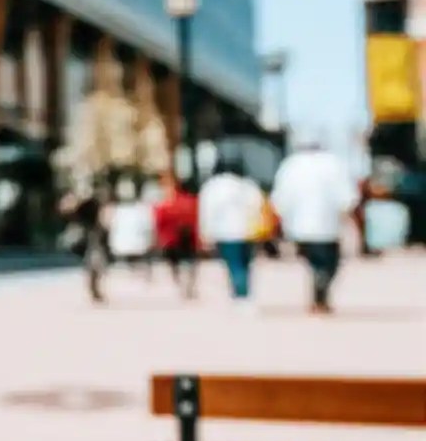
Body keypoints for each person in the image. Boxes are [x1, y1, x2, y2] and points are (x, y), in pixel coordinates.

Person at [271, 134, 359, 315]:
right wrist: (348, 212)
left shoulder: (291, 165)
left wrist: (281, 219)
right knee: (330, 262)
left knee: (314, 261)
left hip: (299, 226)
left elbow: (280, 197)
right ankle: (321, 290)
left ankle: (319, 289)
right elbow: (347, 196)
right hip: (329, 225)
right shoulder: (333, 164)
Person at [198, 157, 264, 308]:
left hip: (225, 233)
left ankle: (240, 295)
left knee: (234, 264)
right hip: (249, 231)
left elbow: (207, 212)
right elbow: (258, 206)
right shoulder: (248, 185)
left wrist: (205, 233)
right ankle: (244, 292)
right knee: (246, 264)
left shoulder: (213, 186)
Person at [153, 173, 199, 299]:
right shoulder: (161, 203)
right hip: (170, 240)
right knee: (176, 263)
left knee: (188, 262)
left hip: (186, 237)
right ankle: (183, 284)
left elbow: (194, 218)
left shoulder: (186, 201)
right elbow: (158, 222)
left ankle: (187, 285)